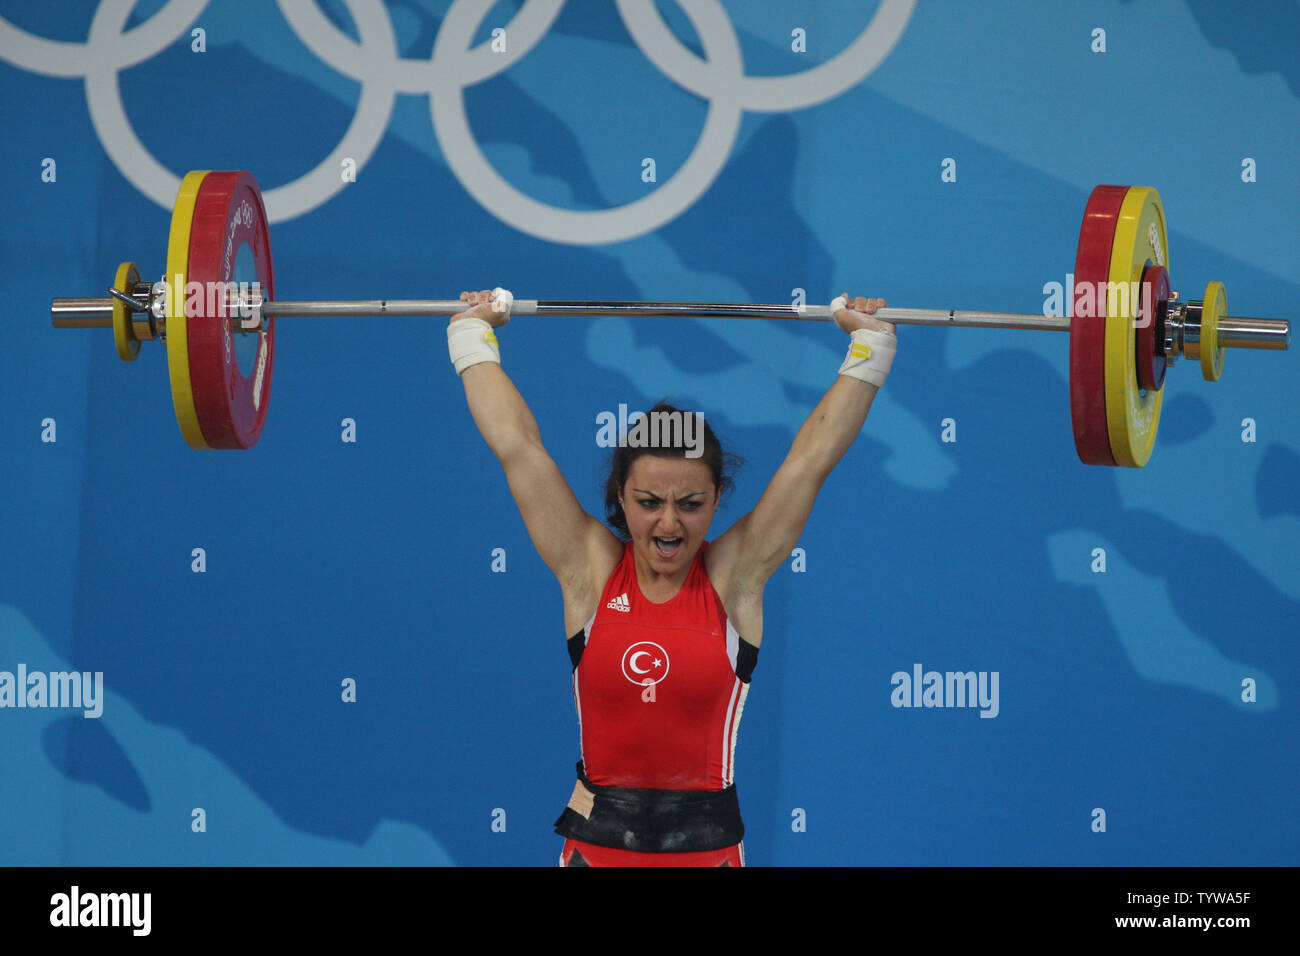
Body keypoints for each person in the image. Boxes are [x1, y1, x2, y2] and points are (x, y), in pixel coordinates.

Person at [449, 288, 897, 866]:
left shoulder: (734, 579)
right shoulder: (589, 569)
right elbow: (518, 448)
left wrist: (870, 343)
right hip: (594, 853)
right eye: (648, 501)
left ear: (716, 501)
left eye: (690, 503)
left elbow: (809, 463)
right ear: (620, 497)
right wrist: (472, 333)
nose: (668, 522)